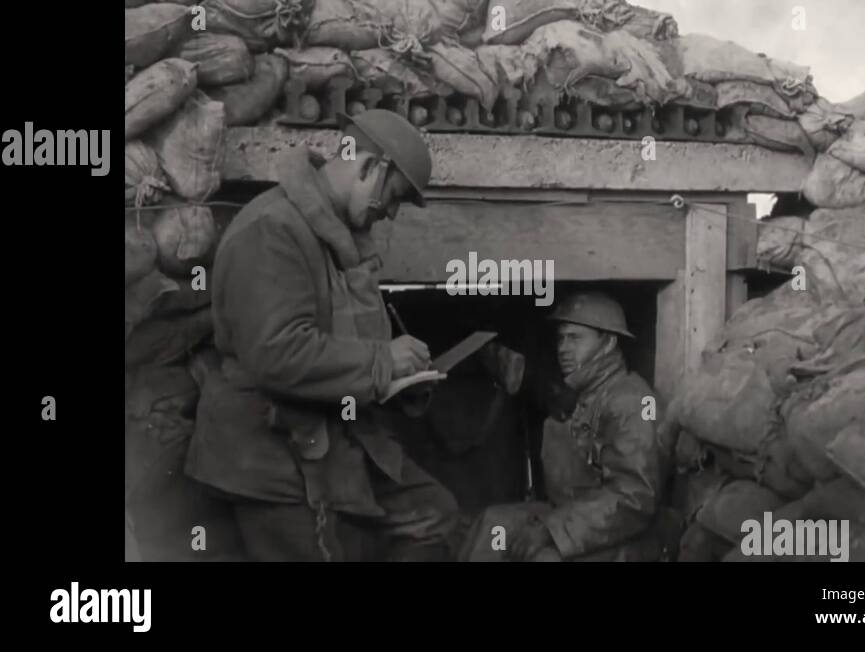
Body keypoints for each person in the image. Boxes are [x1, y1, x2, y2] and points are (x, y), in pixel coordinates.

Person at [184, 109, 458, 562]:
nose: (390, 214)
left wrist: (400, 374)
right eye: (394, 197)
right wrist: (381, 361)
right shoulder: (272, 230)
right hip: (266, 457)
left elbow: (342, 340)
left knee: (434, 514)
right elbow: (278, 353)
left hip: (322, 440)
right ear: (370, 167)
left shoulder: (337, 235)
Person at [457, 291, 672, 561]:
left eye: (575, 338)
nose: (563, 349)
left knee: (543, 558)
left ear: (608, 343)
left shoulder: (632, 401)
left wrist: (553, 530)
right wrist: (554, 525)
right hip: (578, 519)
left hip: (629, 536)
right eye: (561, 338)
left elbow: (635, 498)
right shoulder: (584, 394)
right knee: (494, 526)